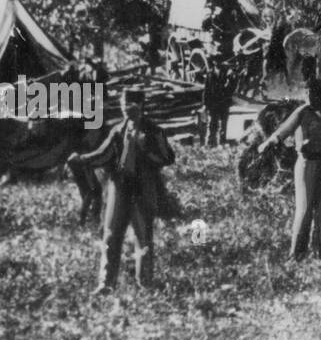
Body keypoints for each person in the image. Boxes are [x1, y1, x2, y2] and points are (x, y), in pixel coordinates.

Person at [68, 88, 176, 294]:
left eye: (131, 104)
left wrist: (145, 148)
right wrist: (82, 159)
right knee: (110, 235)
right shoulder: (118, 130)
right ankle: (106, 283)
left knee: (143, 236)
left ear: (141, 106)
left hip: (143, 187)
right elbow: (104, 154)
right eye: (124, 104)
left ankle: (145, 283)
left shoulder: (153, 131)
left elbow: (167, 157)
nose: (126, 109)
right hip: (120, 187)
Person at [258, 78, 321, 260]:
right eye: (308, 94)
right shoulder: (303, 112)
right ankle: (297, 255)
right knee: (304, 211)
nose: (311, 98)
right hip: (306, 164)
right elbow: (283, 130)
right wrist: (269, 142)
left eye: (315, 94)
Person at [202, 57, 239, 147]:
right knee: (212, 123)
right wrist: (205, 104)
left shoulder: (226, 72)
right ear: (214, 63)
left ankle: (222, 141)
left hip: (223, 101)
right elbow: (206, 89)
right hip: (213, 102)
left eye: (219, 62)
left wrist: (233, 79)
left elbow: (233, 85)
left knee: (224, 123)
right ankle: (211, 142)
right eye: (216, 62)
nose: (218, 64)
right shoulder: (210, 74)